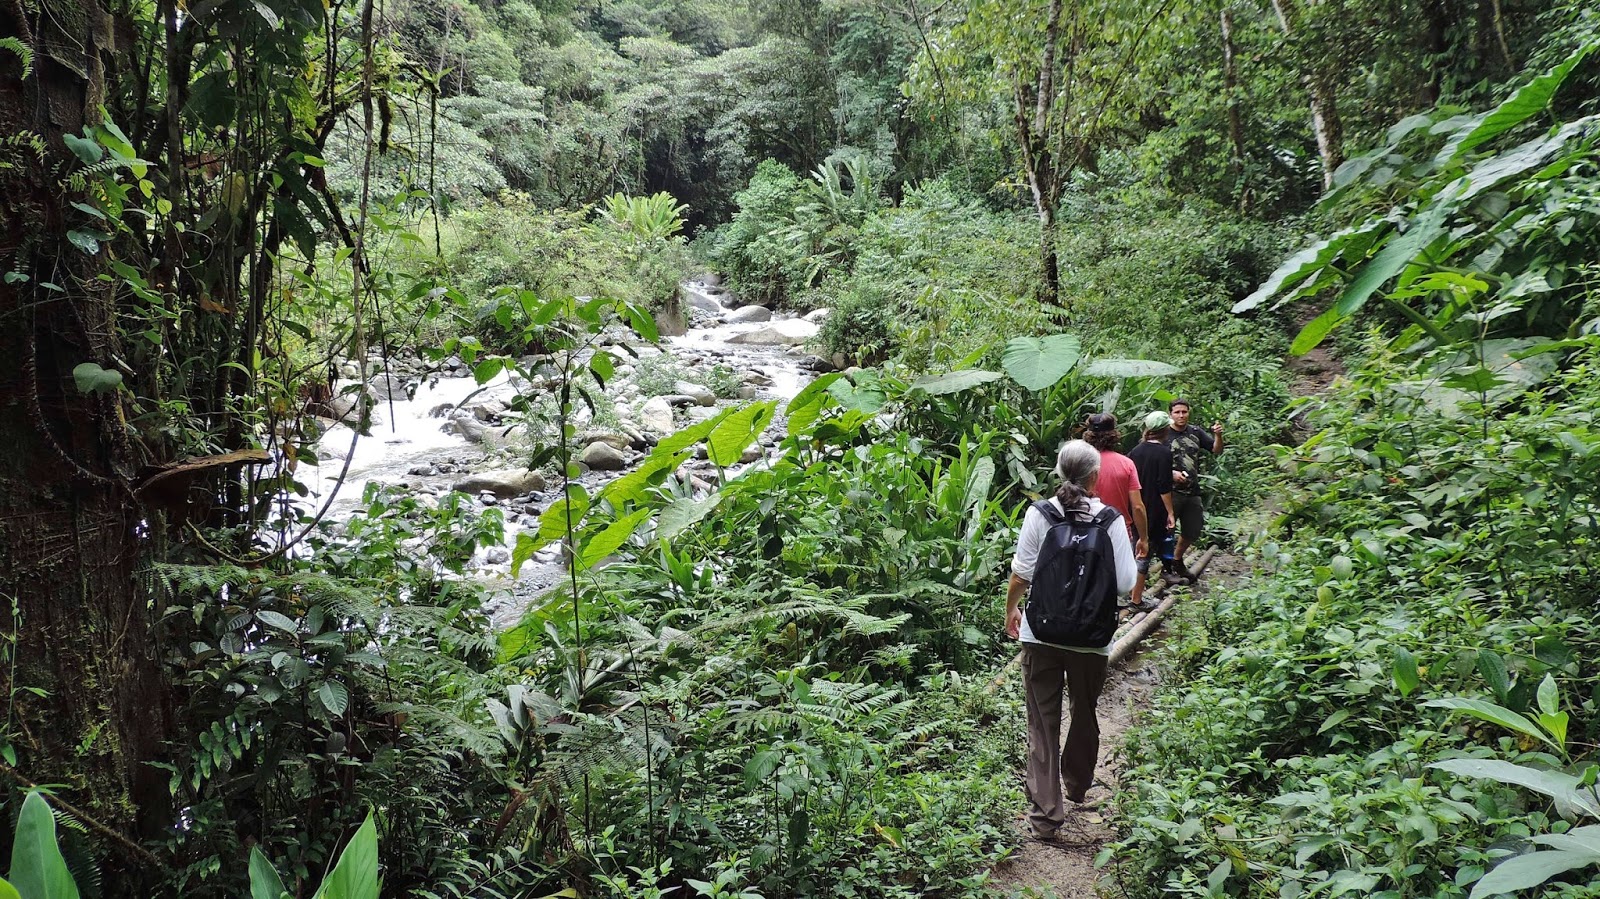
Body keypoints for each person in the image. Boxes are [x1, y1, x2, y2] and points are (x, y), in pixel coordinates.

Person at [1004, 440, 1136, 841]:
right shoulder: (1111, 520)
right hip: (1091, 640)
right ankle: (1077, 784)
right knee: (1084, 710)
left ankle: (1046, 815)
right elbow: (1128, 582)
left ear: (1060, 473)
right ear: (1096, 477)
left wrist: (1011, 608)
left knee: (1042, 723)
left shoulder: (1040, 513)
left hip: (1040, 634)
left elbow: (1022, 572)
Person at [1162, 398, 1225, 577]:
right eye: (1177, 412)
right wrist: (1171, 473)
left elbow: (1216, 450)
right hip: (1170, 492)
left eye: (1184, 412)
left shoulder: (1195, 432)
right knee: (1167, 531)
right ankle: (1166, 568)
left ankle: (1177, 559)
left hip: (1192, 491)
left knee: (1193, 529)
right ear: (1170, 414)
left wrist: (1218, 435)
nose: (1181, 415)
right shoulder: (1163, 434)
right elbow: (1152, 460)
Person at [1083, 413, 1149, 566]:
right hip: (1119, 531)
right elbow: (1137, 506)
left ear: (1088, 435)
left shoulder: (1081, 463)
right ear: (1114, 435)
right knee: (1118, 581)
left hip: (1085, 531)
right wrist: (1144, 539)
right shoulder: (1126, 464)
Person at [1127, 410, 1179, 605]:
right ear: (1165, 429)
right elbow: (1164, 487)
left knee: (1134, 550)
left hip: (1134, 506)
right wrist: (1170, 513)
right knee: (1144, 554)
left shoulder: (1136, 451)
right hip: (1154, 510)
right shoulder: (1164, 453)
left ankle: (1130, 591)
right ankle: (1137, 599)